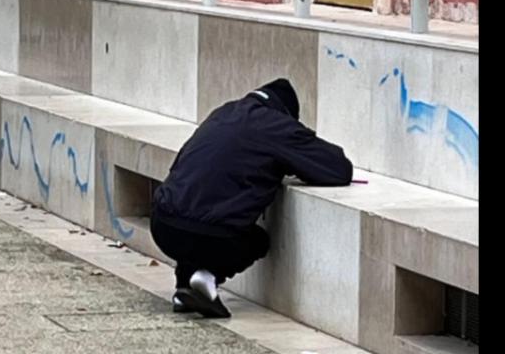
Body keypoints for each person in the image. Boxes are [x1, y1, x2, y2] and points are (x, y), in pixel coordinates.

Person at [150, 78, 353, 318]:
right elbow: (338, 168)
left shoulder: (222, 113)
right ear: (286, 113)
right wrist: (291, 161)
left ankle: (184, 289)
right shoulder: (276, 125)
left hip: (162, 224)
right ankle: (208, 277)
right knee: (254, 241)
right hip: (208, 234)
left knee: (195, 214)